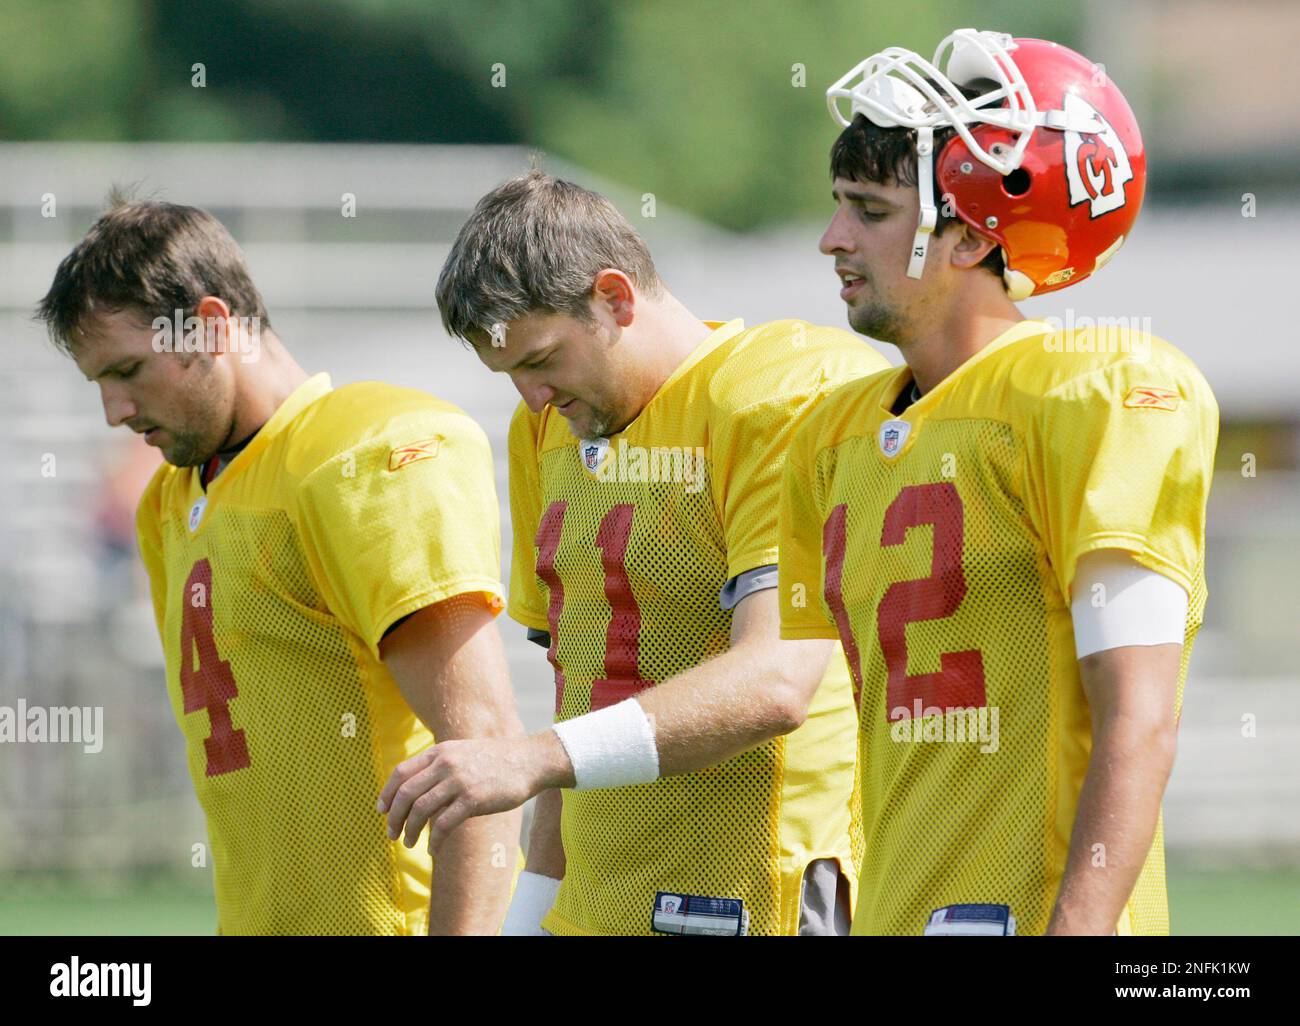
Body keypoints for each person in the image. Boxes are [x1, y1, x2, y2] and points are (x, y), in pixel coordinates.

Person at [777, 29, 1219, 935]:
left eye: (868, 208)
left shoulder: (1094, 393)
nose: (832, 239)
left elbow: (1139, 720)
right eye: (838, 205)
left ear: (973, 234)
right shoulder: (831, 432)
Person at [379, 171, 889, 935]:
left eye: (542, 359)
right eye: (511, 373)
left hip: (754, 901)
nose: (533, 397)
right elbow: (576, 693)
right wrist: (530, 914)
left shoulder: (777, 395)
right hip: (596, 905)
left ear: (615, 297)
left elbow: (777, 680)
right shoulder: (548, 430)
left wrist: (528, 759)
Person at [36, 194, 524, 934]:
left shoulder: (358, 452)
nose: (114, 411)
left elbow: (484, 752)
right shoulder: (169, 502)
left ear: (208, 323)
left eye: (129, 370)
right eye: (99, 381)